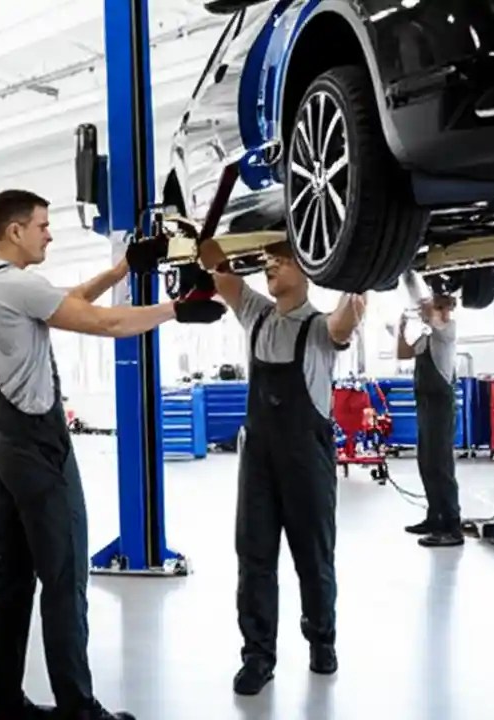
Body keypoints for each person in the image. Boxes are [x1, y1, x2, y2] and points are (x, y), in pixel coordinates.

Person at [0, 189, 226, 720]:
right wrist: (176, 310)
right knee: (65, 580)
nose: (50, 233)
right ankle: (78, 710)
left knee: (10, 576)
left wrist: (123, 269)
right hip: (38, 447)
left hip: (2, 439)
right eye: (42, 225)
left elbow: (67, 300)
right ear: (15, 230)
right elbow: (104, 324)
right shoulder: (17, 284)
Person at [196, 239, 366, 696]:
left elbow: (346, 319)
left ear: (308, 269)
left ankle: (322, 641)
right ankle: (257, 656)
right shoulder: (255, 314)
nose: (271, 266)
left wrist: (357, 271)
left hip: (305, 460)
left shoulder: (317, 328)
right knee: (253, 559)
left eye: (282, 259)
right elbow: (217, 266)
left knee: (313, 559)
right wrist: (202, 230)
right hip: (257, 462)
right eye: (268, 260)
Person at [397, 294, 463, 548]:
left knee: (441, 466)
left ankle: (452, 526)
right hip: (425, 408)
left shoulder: (447, 332)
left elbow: (436, 319)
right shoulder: (426, 339)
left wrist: (426, 303)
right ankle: (434, 517)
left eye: (437, 307)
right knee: (426, 462)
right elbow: (403, 353)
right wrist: (402, 326)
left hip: (440, 409)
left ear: (446, 310)